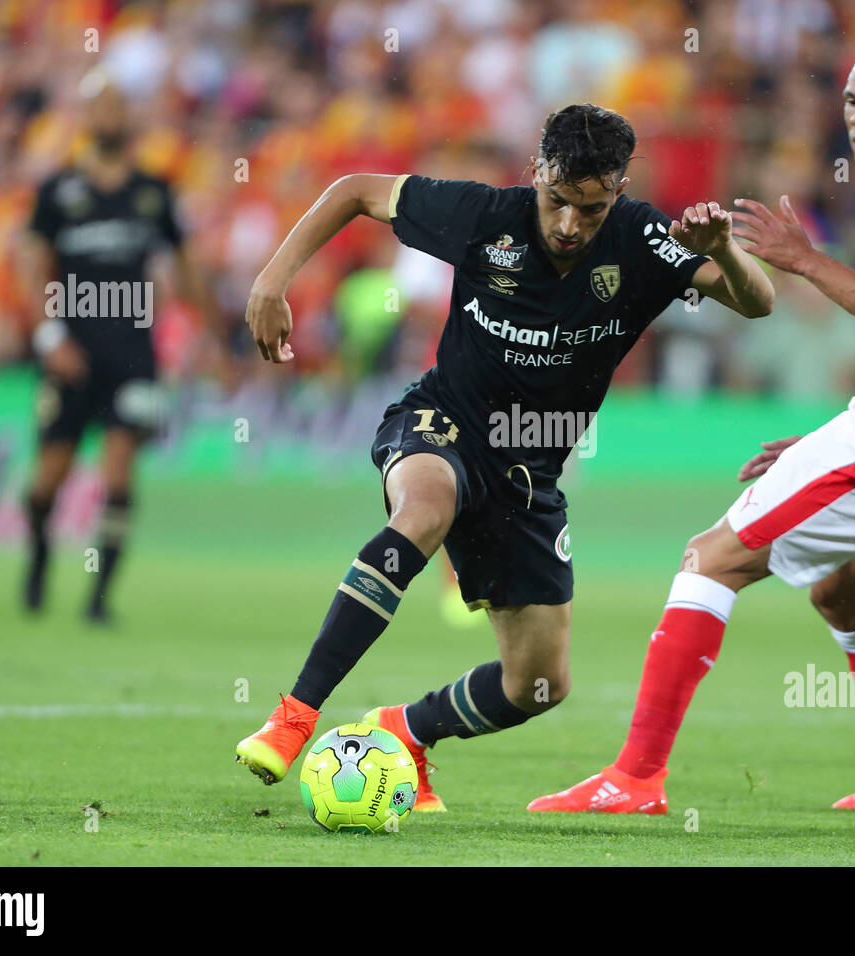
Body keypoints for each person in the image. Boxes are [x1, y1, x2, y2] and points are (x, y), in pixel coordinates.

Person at [234, 104, 775, 810]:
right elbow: (354, 191)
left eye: (591, 208)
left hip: (529, 478)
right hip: (442, 423)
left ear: (617, 189)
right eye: (557, 201)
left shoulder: (644, 237)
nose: (569, 225)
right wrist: (271, 281)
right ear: (535, 172)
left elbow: (757, 302)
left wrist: (724, 249)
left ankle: (403, 729)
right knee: (425, 507)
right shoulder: (483, 215)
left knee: (539, 685)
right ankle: (294, 716)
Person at [530, 38, 855, 816]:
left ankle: (637, 776)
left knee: (710, 559)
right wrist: (831, 440)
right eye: (851, 101)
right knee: (845, 598)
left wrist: (802, 260)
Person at [21, 75, 215, 623]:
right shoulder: (57, 190)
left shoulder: (154, 192)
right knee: (46, 480)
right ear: (83, 118)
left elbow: (184, 264)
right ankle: (37, 557)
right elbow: (31, 267)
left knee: (119, 474)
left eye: (115, 104)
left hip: (133, 353)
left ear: (129, 117)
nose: (107, 114)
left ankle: (99, 597)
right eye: (97, 105)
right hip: (71, 352)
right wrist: (48, 336)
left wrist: (213, 332)